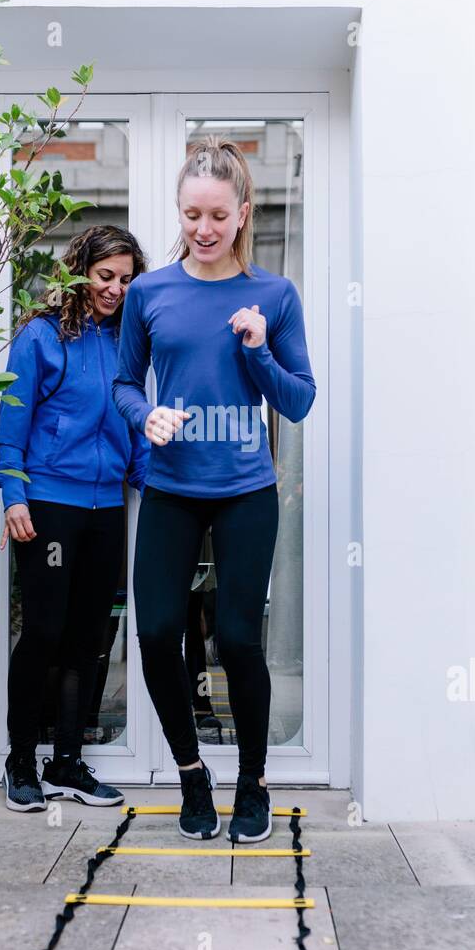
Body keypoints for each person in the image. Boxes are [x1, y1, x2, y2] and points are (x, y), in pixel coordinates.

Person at [112, 137, 316, 842]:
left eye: (218, 216)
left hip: (244, 489)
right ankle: (192, 773)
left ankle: (253, 780)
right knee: (158, 630)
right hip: (170, 486)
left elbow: (298, 403)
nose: (203, 229)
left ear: (242, 213)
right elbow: (122, 383)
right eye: (192, 213)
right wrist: (147, 415)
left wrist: (258, 350)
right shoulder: (150, 292)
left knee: (236, 637)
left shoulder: (273, 296)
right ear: (180, 209)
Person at [0, 225, 150, 812]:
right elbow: (10, 430)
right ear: (79, 271)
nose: (115, 289)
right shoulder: (39, 337)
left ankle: (66, 763)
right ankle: (20, 762)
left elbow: (134, 432)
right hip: (49, 506)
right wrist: (13, 495)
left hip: (106, 508)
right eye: (105, 276)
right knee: (44, 632)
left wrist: (162, 485)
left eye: (126, 280)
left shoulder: (129, 344)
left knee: (89, 639)